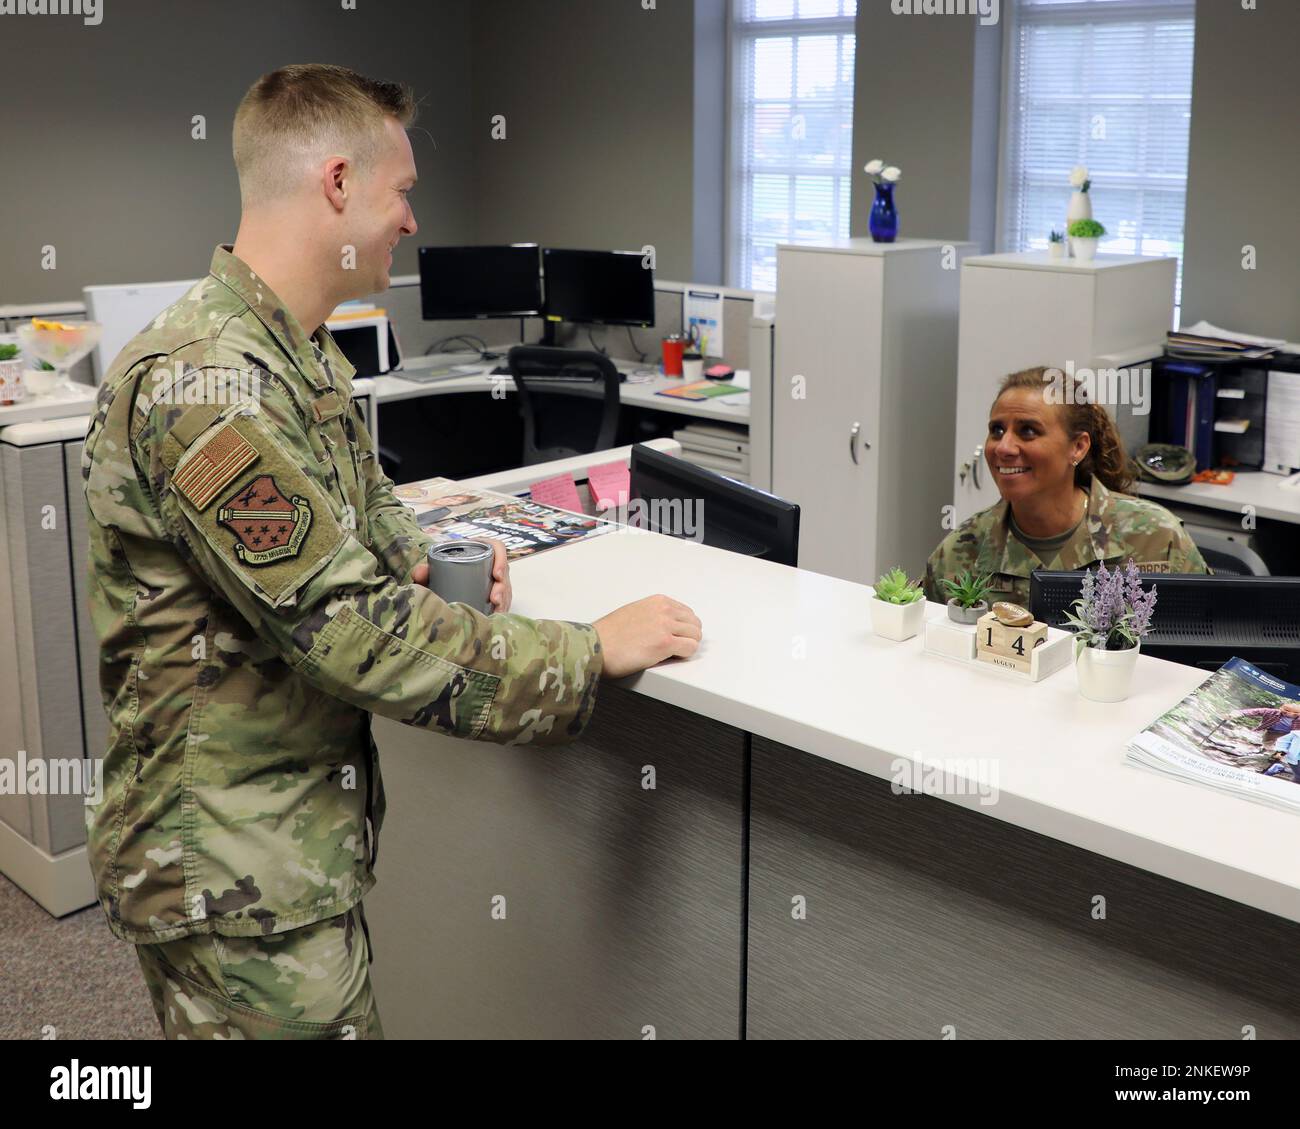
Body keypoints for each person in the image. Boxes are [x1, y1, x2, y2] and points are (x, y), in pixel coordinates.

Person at [82, 64, 702, 1040]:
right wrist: (587, 651)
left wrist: (432, 561)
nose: (410, 222)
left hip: (290, 844)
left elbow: (371, 530)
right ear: (337, 184)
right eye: (400, 191)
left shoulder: (300, 355)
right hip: (228, 868)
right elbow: (347, 632)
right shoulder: (208, 381)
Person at [925, 367, 1210, 607]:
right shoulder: (959, 553)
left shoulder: (1157, 539)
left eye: (1028, 431)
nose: (1004, 447)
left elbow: (1212, 653)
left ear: (1078, 447)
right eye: (997, 430)